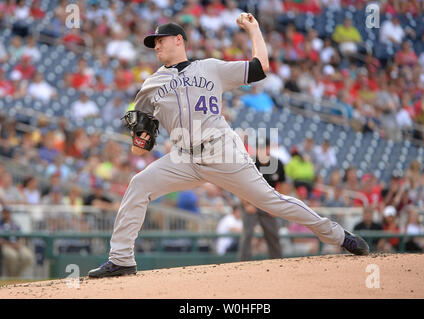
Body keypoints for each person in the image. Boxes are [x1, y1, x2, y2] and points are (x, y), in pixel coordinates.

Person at [88, 17, 369, 278]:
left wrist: (254, 30)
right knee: (139, 184)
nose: (156, 45)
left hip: (222, 151)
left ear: (179, 40)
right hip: (184, 157)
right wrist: (140, 139)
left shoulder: (211, 67)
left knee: (272, 201)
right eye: (153, 43)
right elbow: (139, 148)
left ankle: (338, 236)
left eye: (161, 39)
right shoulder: (151, 85)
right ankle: (122, 259)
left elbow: (261, 67)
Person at [239, 139, 285, 261]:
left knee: (273, 235)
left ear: (269, 148)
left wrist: (277, 207)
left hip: (269, 204)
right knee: (247, 234)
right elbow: (241, 184)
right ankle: (243, 264)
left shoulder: (277, 163)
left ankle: (278, 262)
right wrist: (246, 203)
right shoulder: (250, 162)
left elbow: (282, 186)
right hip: (251, 201)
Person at [0, 207, 34, 277]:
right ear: (2, 213)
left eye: (8, 212)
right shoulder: (1, 223)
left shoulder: (14, 223)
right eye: (5, 212)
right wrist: (10, 244)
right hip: (6, 245)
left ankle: (16, 277)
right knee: (12, 257)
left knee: (27, 256)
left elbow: (21, 236)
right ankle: (12, 279)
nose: (7, 214)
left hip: (18, 245)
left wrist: (19, 243)